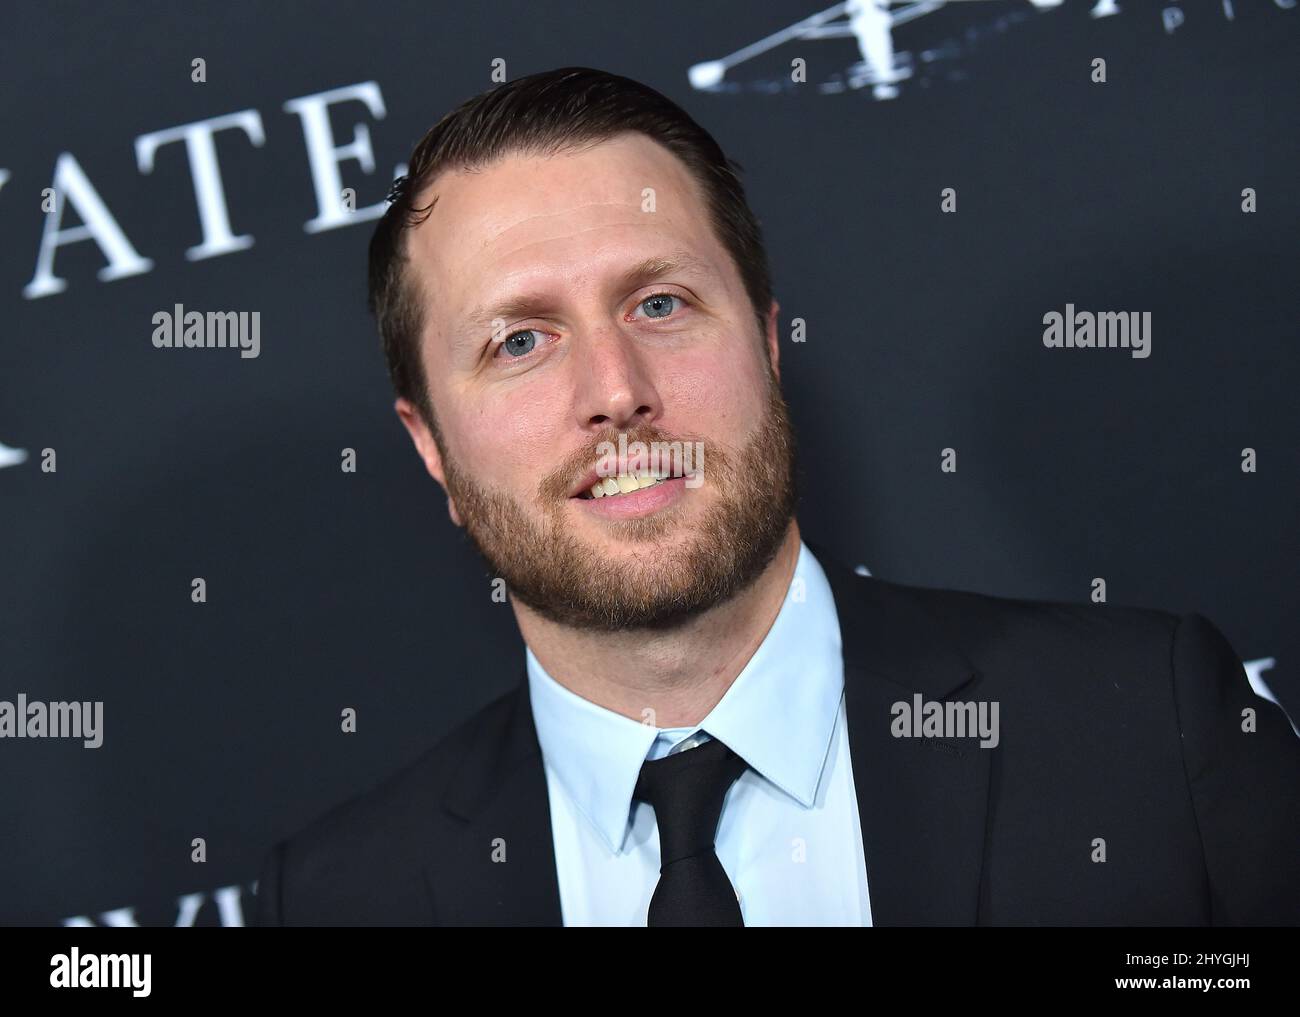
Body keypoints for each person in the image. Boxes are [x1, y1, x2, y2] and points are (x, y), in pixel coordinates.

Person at [252, 66, 1298, 926]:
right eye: (519, 341)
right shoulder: (346, 901)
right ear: (430, 446)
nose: (616, 391)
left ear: (763, 344)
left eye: (659, 302)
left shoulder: (1149, 734)